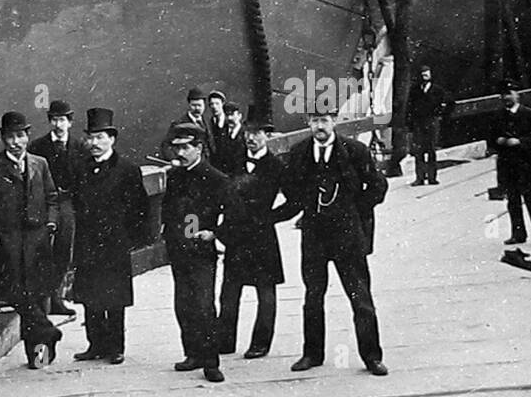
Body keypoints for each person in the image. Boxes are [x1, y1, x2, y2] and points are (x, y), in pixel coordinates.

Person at [279, 107, 389, 376]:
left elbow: (378, 186)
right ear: (308, 123)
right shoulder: (300, 153)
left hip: (347, 236)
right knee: (313, 296)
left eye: (325, 121)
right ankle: (312, 354)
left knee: (360, 296)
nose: (320, 126)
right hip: (314, 235)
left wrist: (353, 210)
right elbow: (291, 190)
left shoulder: (354, 151)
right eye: (315, 121)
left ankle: (372, 357)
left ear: (334, 122)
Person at [0, 112, 62, 368]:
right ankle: (48, 332)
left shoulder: (39, 164)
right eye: (10, 136)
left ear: (27, 136)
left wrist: (51, 223)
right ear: (2, 138)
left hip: (37, 242)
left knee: (35, 295)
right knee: (18, 295)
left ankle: (39, 356)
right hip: (8, 244)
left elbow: (52, 197)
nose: (15, 142)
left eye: (20, 136)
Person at [71, 108, 149, 365]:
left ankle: (116, 346)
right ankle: (95, 344)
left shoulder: (127, 169)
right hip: (88, 243)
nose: (94, 143)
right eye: (90, 138)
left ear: (112, 139)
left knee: (114, 298)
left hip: (115, 244)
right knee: (90, 297)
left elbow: (140, 209)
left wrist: (129, 240)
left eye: (100, 137)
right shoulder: (81, 168)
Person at [161, 121, 228, 382]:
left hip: (201, 253)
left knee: (203, 306)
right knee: (183, 305)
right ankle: (193, 353)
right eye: (177, 147)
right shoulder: (175, 176)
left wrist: (215, 233)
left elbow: (232, 213)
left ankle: (211, 362)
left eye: (186, 147)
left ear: (199, 148)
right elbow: (168, 209)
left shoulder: (216, 178)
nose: (180, 152)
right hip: (179, 251)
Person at [217, 110, 286, 359]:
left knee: (265, 292)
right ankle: (224, 340)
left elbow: (294, 201)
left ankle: (261, 343)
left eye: (257, 134)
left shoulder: (276, 166)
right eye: (248, 133)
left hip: (262, 237)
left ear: (267, 136)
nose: (251, 138)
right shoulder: (233, 160)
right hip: (236, 235)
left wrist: (271, 217)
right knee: (229, 291)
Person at [28, 99, 87, 316]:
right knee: (43, 251)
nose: (58, 124)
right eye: (54, 119)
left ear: (70, 122)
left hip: (67, 203)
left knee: (64, 251)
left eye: (62, 120)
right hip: (44, 203)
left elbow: (83, 179)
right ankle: (42, 299)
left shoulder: (79, 147)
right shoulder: (37, 146)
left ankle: (55, 297)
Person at [492, 80, 531, 245]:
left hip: (526, 165)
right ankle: (518, 233)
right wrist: (498, 140)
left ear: (517, 95)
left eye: (509, 93)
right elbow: (490, 137)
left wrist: (520, 142)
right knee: (513, 201)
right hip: (507, 165)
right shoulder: (498, 116)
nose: (506, 97)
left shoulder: (528, 114)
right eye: (503, 94)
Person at [405, 64, 452, 186]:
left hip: (432, 121)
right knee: (419, 151)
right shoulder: (415, 90)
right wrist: (410, 123)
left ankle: (432, 177)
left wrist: (441, 115)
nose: (424, 75)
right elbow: (409, 107)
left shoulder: (438, 90)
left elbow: (450, 103)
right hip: (418, 122)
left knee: (431, 149)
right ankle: (419, 177)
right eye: (422, 73)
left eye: (427, 73)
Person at [158, 88, 216, 163]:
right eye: (194, 105)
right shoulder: (179, 123)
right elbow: (166, 145)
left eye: (199, 105)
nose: (197, 108)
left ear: (204, 105)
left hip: (207, 164)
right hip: (189, 166)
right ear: (189, 105)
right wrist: (175, 160)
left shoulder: (208, 121)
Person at [211, 99, 248, 176]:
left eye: (232, 115)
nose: (230, 118)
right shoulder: (221, 132)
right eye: (227, 115)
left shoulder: (245, 134)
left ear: (239, 116)